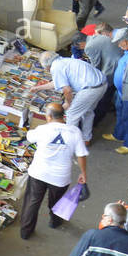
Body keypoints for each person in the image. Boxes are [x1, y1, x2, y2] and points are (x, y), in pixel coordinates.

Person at [20, 102, 89, 239]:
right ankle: (55, 222)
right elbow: (81, 154)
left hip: (38, 173)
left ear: (49, 116)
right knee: (57, 202)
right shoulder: (75, 131)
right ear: (63, 116)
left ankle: (25, 232)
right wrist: (83, 173)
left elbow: (29, 137)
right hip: (60, 177)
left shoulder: (42, 129)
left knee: (32, 202)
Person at [27, 52, 107, 143]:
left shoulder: (55, 67)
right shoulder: (63, 61)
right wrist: (38, 88)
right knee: (87, 112)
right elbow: (57, 82)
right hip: (101, 84)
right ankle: (86, 139)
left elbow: (67, 90)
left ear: (46, 66)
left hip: (90, 90)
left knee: (71, 114)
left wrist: (68, 103)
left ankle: (69, 143)